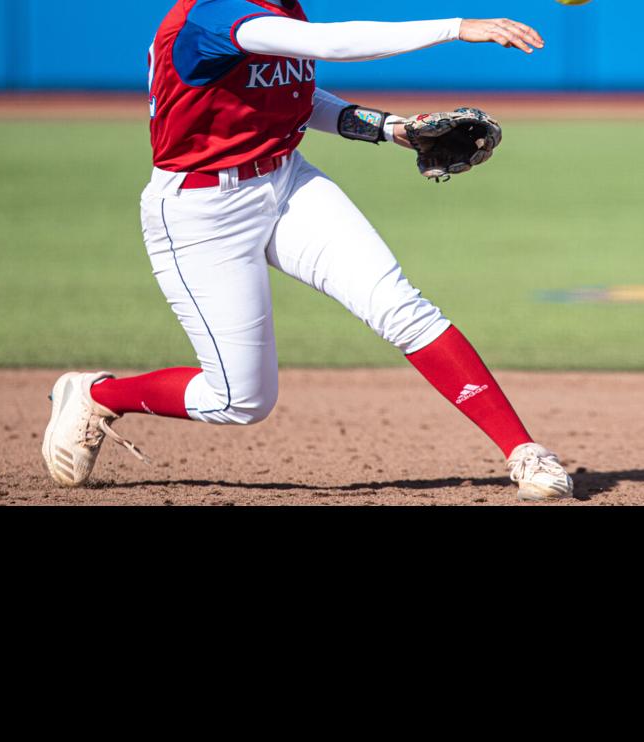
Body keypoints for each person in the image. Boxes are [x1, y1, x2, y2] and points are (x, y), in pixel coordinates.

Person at [42, 0, 574, 501]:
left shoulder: (278, 8)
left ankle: (525, 453)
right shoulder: (214, 14)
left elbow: (298, 97)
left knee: (399, 306)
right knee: (239, 401)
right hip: (202, 210)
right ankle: (98, 395)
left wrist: (390, 129)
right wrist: (455, 27)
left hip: (286, 179)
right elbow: (329, 45)